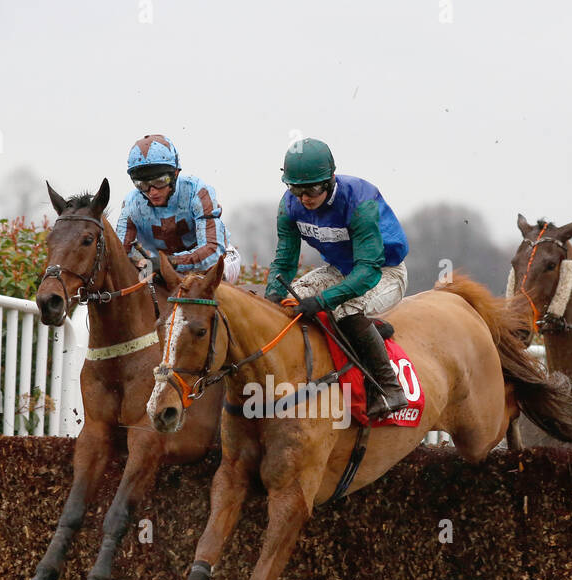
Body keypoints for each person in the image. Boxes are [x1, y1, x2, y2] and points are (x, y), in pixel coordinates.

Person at [264, 137, 410, 418]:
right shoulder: (289, 206)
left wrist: (322, 301)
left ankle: (389, 388)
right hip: (339, 270)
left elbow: (367, 272)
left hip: (384, 272)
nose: (304, 198)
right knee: (290, 299)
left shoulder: (360, 201)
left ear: (330, 180)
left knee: (345, 308)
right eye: (296, 189)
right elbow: (284, 261)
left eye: (312, 189)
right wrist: (271, 297)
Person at [115, 134, 240, 282]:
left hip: (218, 259)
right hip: (160, 265)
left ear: (175, 174)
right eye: (142, 184)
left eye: (160, 181)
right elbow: (120, 254)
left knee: (205, 284)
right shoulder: (131, 204)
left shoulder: (198, 192)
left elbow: (212, 252)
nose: (152, 191)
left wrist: (167, 263)